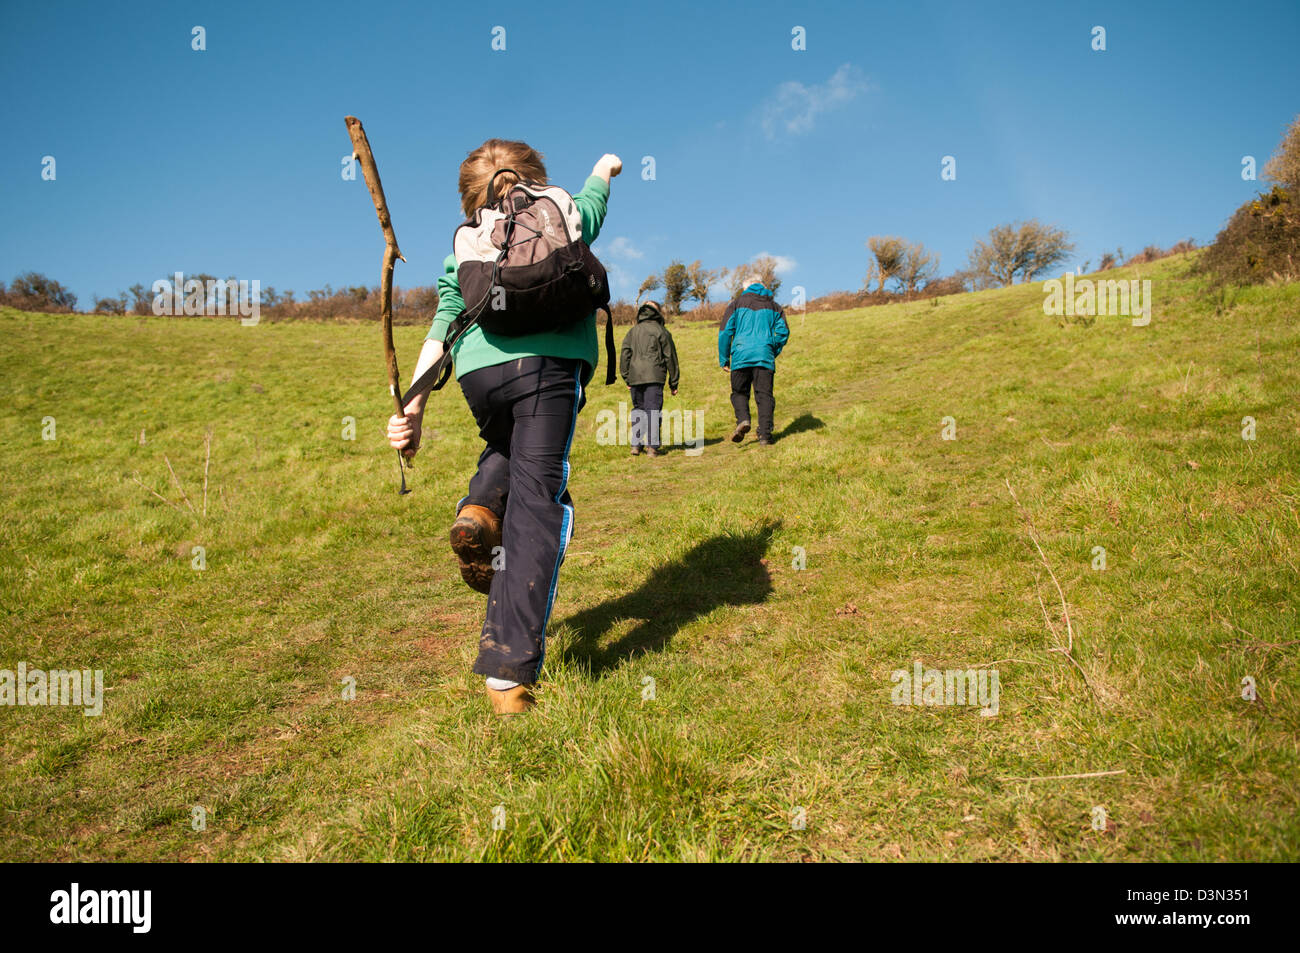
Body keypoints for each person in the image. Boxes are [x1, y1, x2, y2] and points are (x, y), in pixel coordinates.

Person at [387, 139, 622, 715]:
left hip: (479, 376)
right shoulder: (559, 211)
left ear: (472, 194)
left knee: (506, 447)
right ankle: (508, 672)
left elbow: (444, 321)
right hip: (549, 370)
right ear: (534, 179)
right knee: (541, 501)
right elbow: (595, 199)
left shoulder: (467, 243)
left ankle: (480, 507)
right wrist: (606, 167)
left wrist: (412, 406)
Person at [718, 276, 789, 446]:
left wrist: (724, 359)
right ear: (762, 287)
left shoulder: (736, 304)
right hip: (764, 355)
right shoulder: (774, 306)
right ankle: (765, 436)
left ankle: (743, 420)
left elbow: (725, 332)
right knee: (764, 395)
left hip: (741, 355)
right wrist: (771, 349)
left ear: (745, 288)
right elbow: (783, 333)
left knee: (739, 392)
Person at [618, 300, 680, 457]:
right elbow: (670, 357)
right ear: (658, 312)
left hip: (635, 377)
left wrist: (627, 377)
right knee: (653, 410)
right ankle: (652, 447)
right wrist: (674, 382)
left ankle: (636, 445)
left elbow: (625, 355)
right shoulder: (662, 331)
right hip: (655, 376)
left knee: (638, 409)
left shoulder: (632, 332)